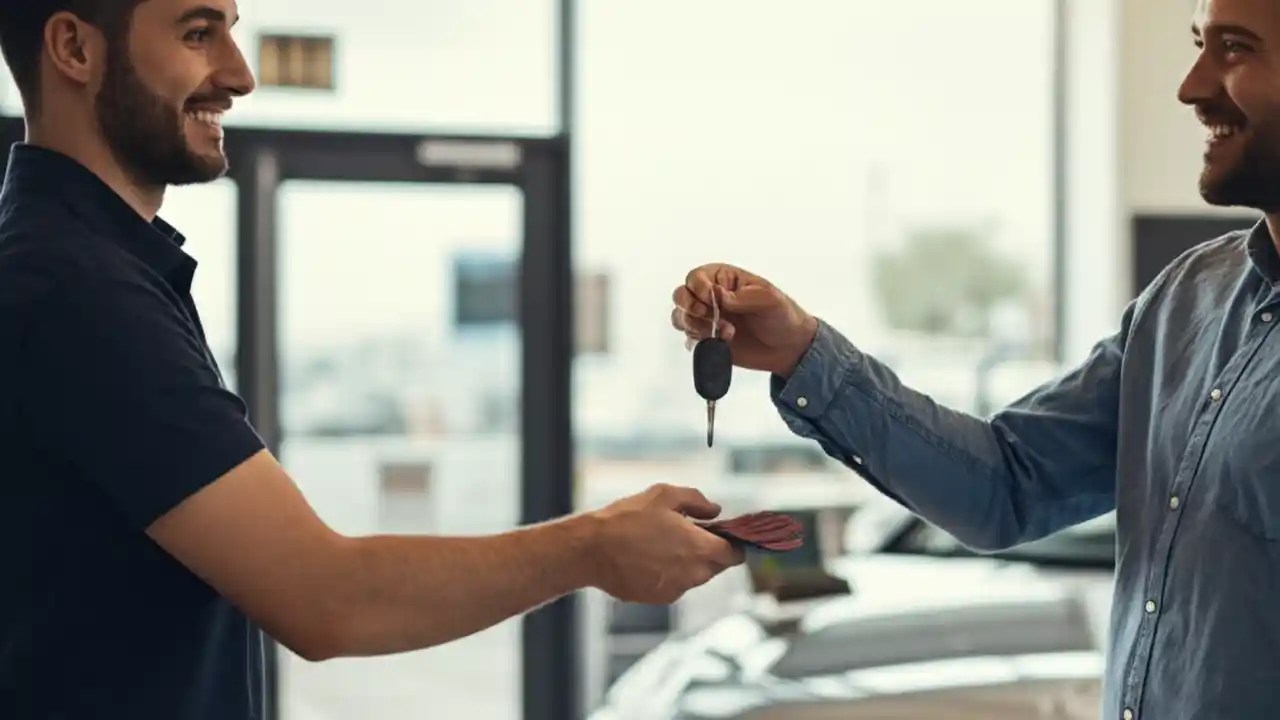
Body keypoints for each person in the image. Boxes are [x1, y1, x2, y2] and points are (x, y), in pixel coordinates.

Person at [0, 1, 743, 718]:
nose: (239, 74)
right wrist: (596, 546)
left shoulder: (87, 270)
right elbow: (326, 598)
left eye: (230, 31)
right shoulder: (78, 292)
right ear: (75, 49)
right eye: (198, 33)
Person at [672, 1, 1280, 718]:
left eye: (1234, 49)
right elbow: (1006, 483)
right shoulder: (1187, 301)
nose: (1191, 85)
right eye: (1198, 45)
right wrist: (802, 349)